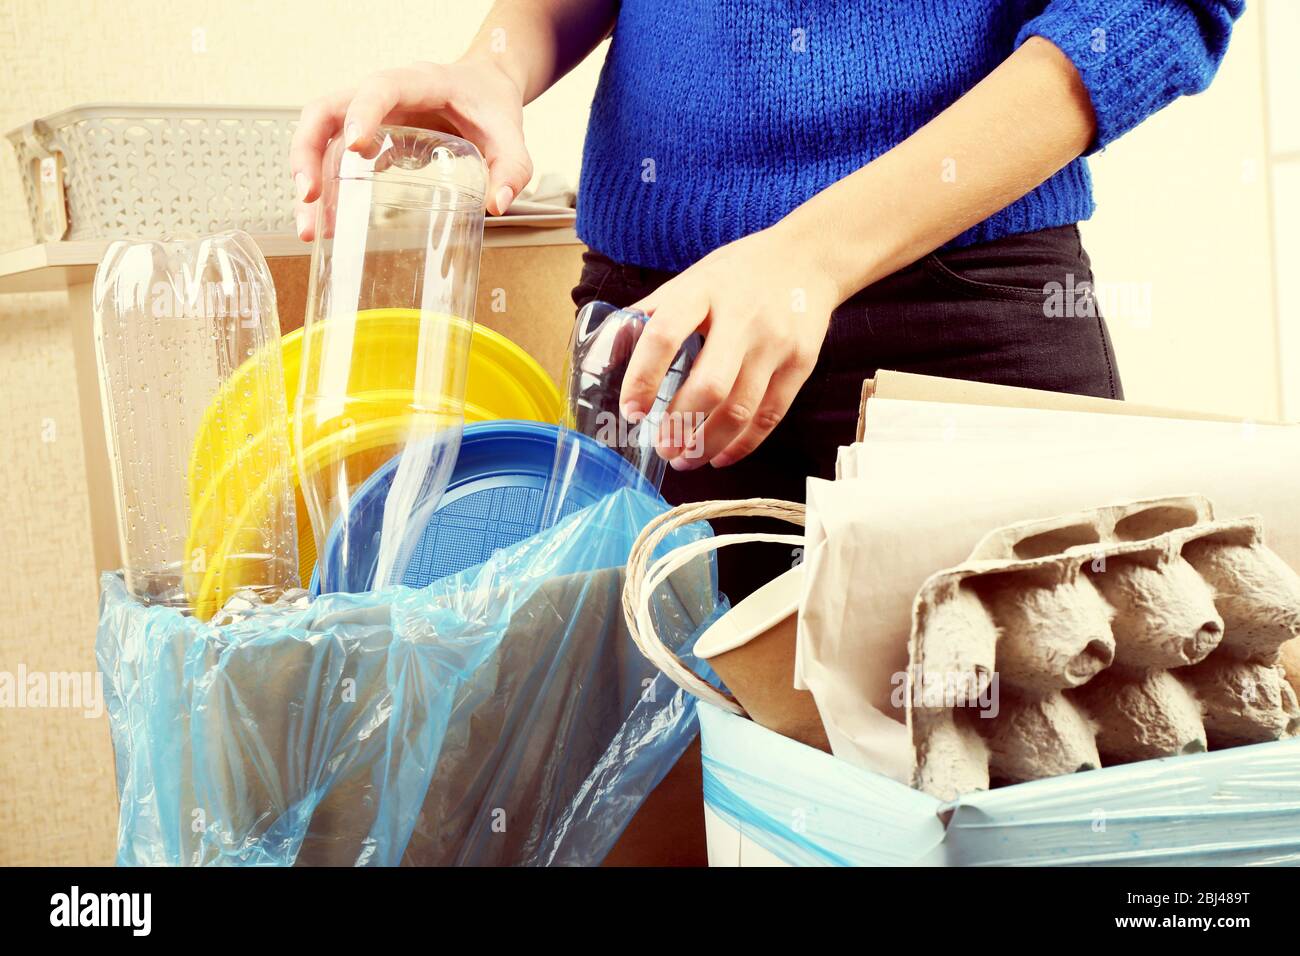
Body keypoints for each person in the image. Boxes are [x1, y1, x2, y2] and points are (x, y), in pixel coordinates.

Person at [292, 0, 1243, 600]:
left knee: (1012, 787)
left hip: (953, 318)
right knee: (670, 807)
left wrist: (814, 256)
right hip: (656, 337)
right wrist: (492, 65)